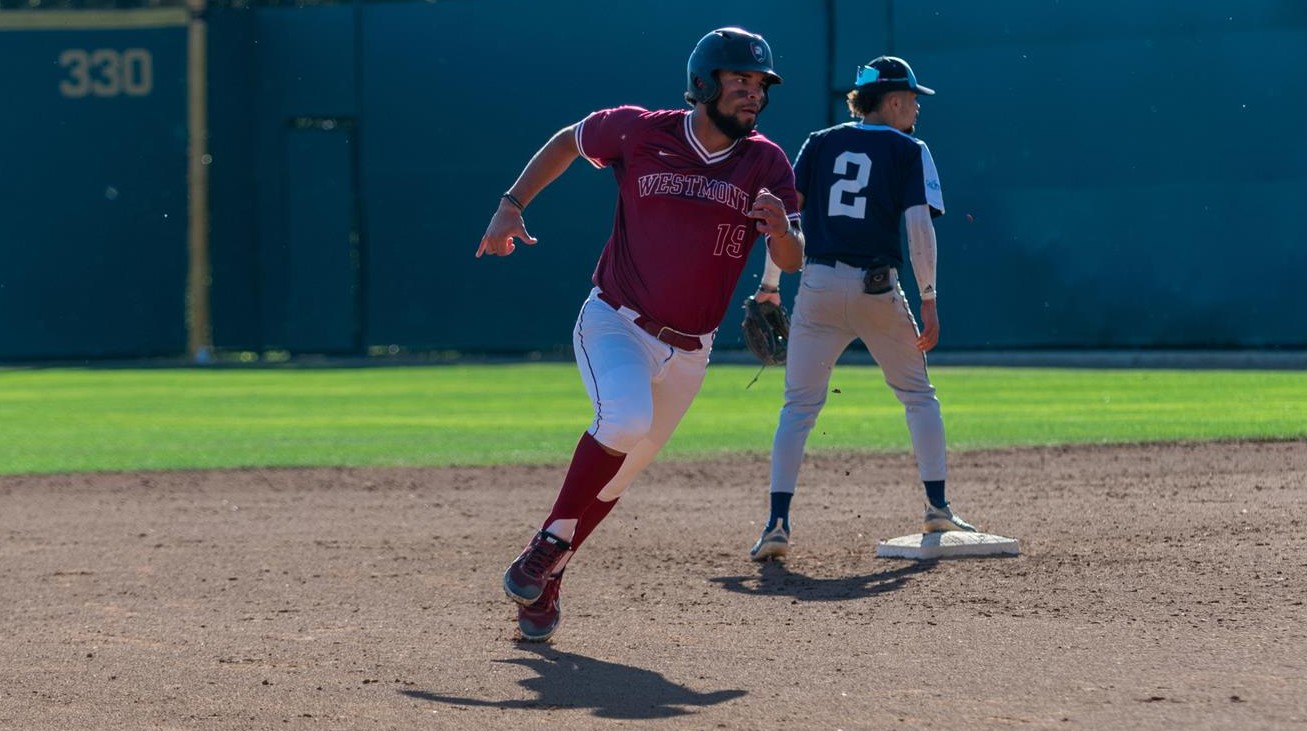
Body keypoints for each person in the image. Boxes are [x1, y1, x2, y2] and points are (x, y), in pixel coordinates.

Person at [477, 27, 805, 640]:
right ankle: (548, 544)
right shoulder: (639, 130)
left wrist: (783, 232)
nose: (753, 94)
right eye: (740, 81)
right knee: (622, 424)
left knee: (619, 477)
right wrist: (511, 203)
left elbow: (791, 259)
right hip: (616, 322)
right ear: (704, 83)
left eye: (760, 84)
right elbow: (568, 141)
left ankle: (547, 576)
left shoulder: (767, 161)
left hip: (692, 350)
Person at [748, 55, 977, 562]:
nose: (917, 109)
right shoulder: (910, 148)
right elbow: (919, 227)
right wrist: (930, 299)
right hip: (877, 290)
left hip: (818, 286)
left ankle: (776, 524)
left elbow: (784, 221)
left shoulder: (819, 142)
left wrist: (768, 287)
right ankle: (937, 506)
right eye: (913, 100)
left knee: (798, 409)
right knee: (919, 396)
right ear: (893, 101)